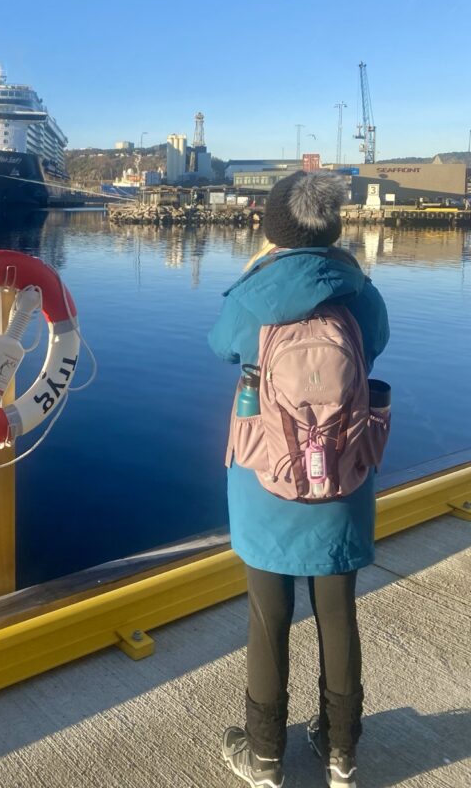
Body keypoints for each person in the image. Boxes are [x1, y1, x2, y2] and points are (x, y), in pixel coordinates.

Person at [208, 171, 389, 788]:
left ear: (270, 226)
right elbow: (379, 343)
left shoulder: (254, 292)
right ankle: (342, 755)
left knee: (268, 615)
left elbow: (220, 345)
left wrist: (260, 274)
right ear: (334, 226)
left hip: (267, 470)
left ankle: (263, 759)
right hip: (342, 468)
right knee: (338, 614)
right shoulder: (358, 288)